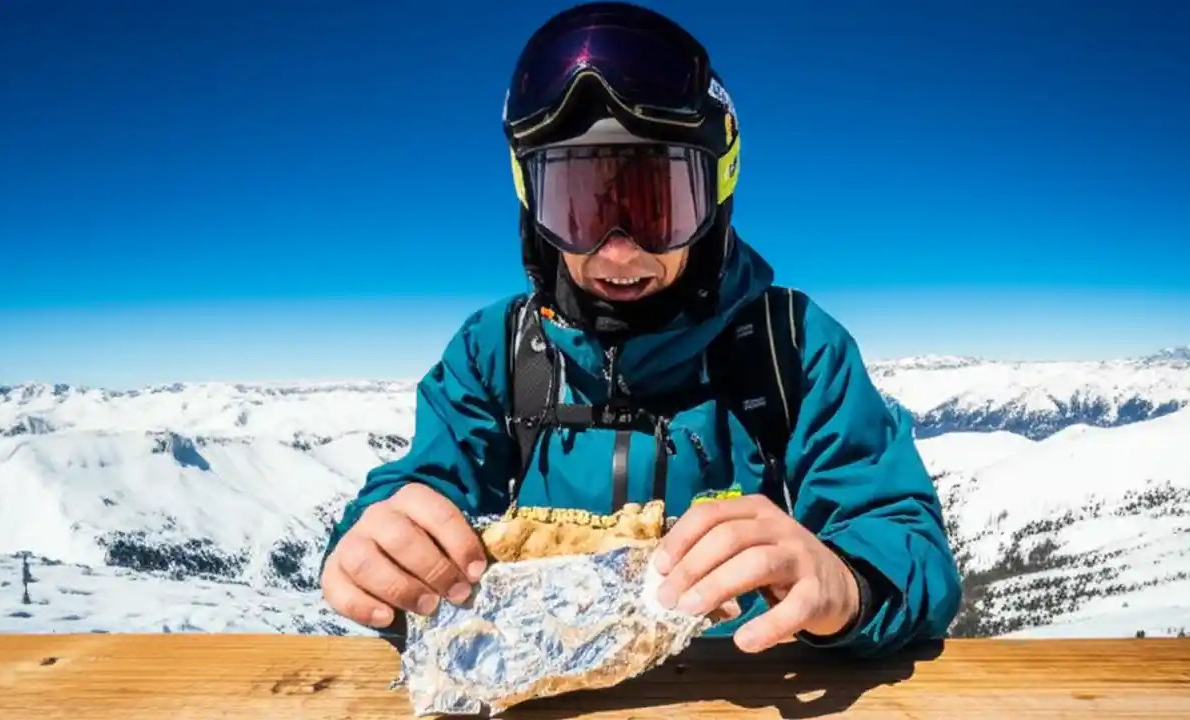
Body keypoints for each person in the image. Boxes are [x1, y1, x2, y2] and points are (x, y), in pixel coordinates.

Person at [320, 1, 962, 656]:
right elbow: (429, 486)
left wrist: (848, 586)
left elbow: (903, 540)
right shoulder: (498, 351)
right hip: (546, 680)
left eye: (658, 205)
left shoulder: (791, 345)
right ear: (530, 205)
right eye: (579, 208)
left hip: (739, 682)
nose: (618, 251)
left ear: (716, 195)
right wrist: (381, 546)